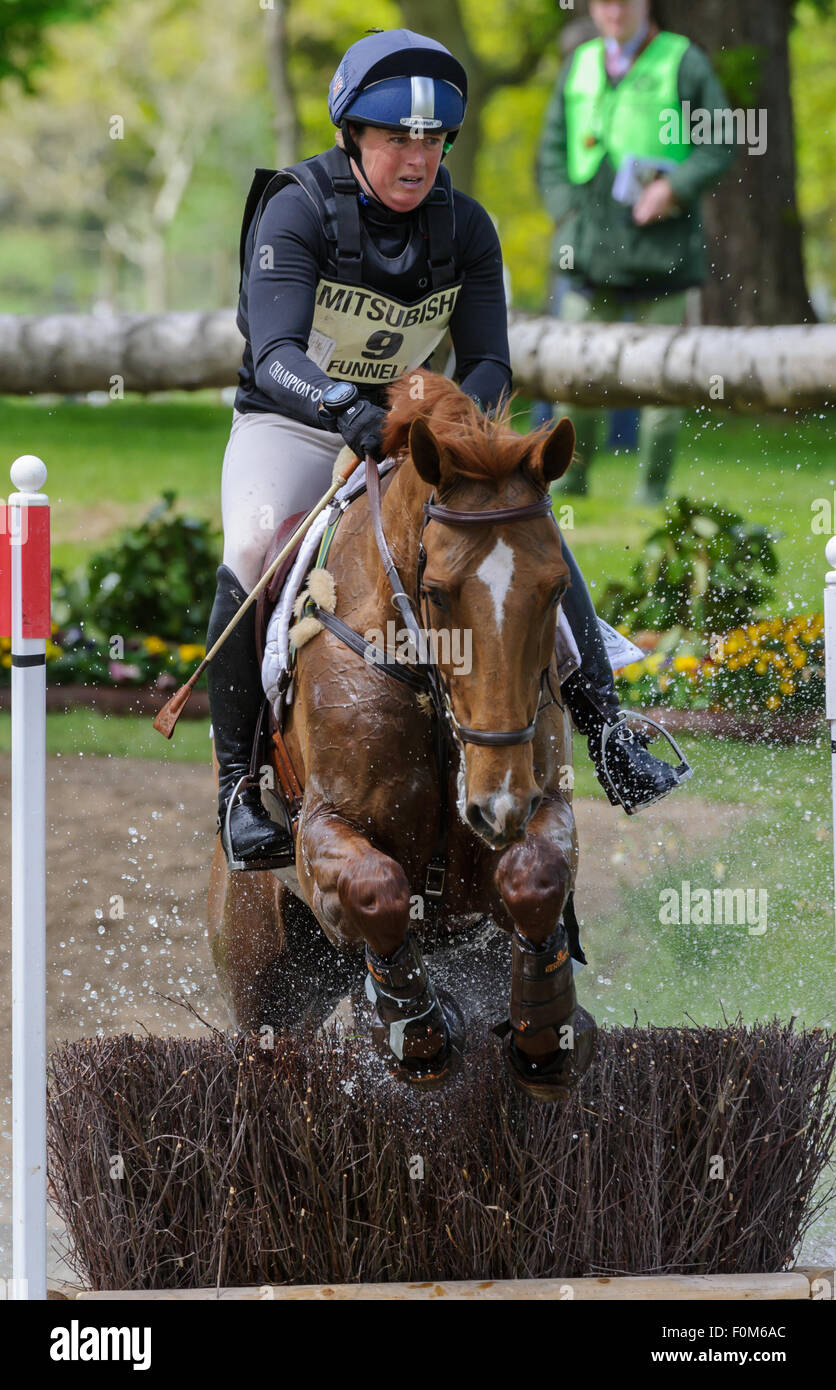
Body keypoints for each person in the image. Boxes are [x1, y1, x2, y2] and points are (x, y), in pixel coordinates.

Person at [208, 27, 687, 876]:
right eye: (396, 136)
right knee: (251, 542)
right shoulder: (296, 208)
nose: (416, 156)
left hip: (415, 430)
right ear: (352, 135)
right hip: (295, 418)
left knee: (521, 530)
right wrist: (348, 410)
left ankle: (611, 729)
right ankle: (239, 793)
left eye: (431, 139)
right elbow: (277, 354)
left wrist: (444, 420)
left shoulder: (465, 227)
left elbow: (492, 361)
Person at [538, 0, 735, 500]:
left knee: (663, 381)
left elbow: (721, 139)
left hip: (662, 252)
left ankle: (651, 495)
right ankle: (569, 486)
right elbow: (551, 151)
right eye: (602, 1)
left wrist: (674, 188)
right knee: (576, 375)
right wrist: (568, 211)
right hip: (590, 251)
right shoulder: (579, 63)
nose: (613, 9)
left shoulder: (682, 59)